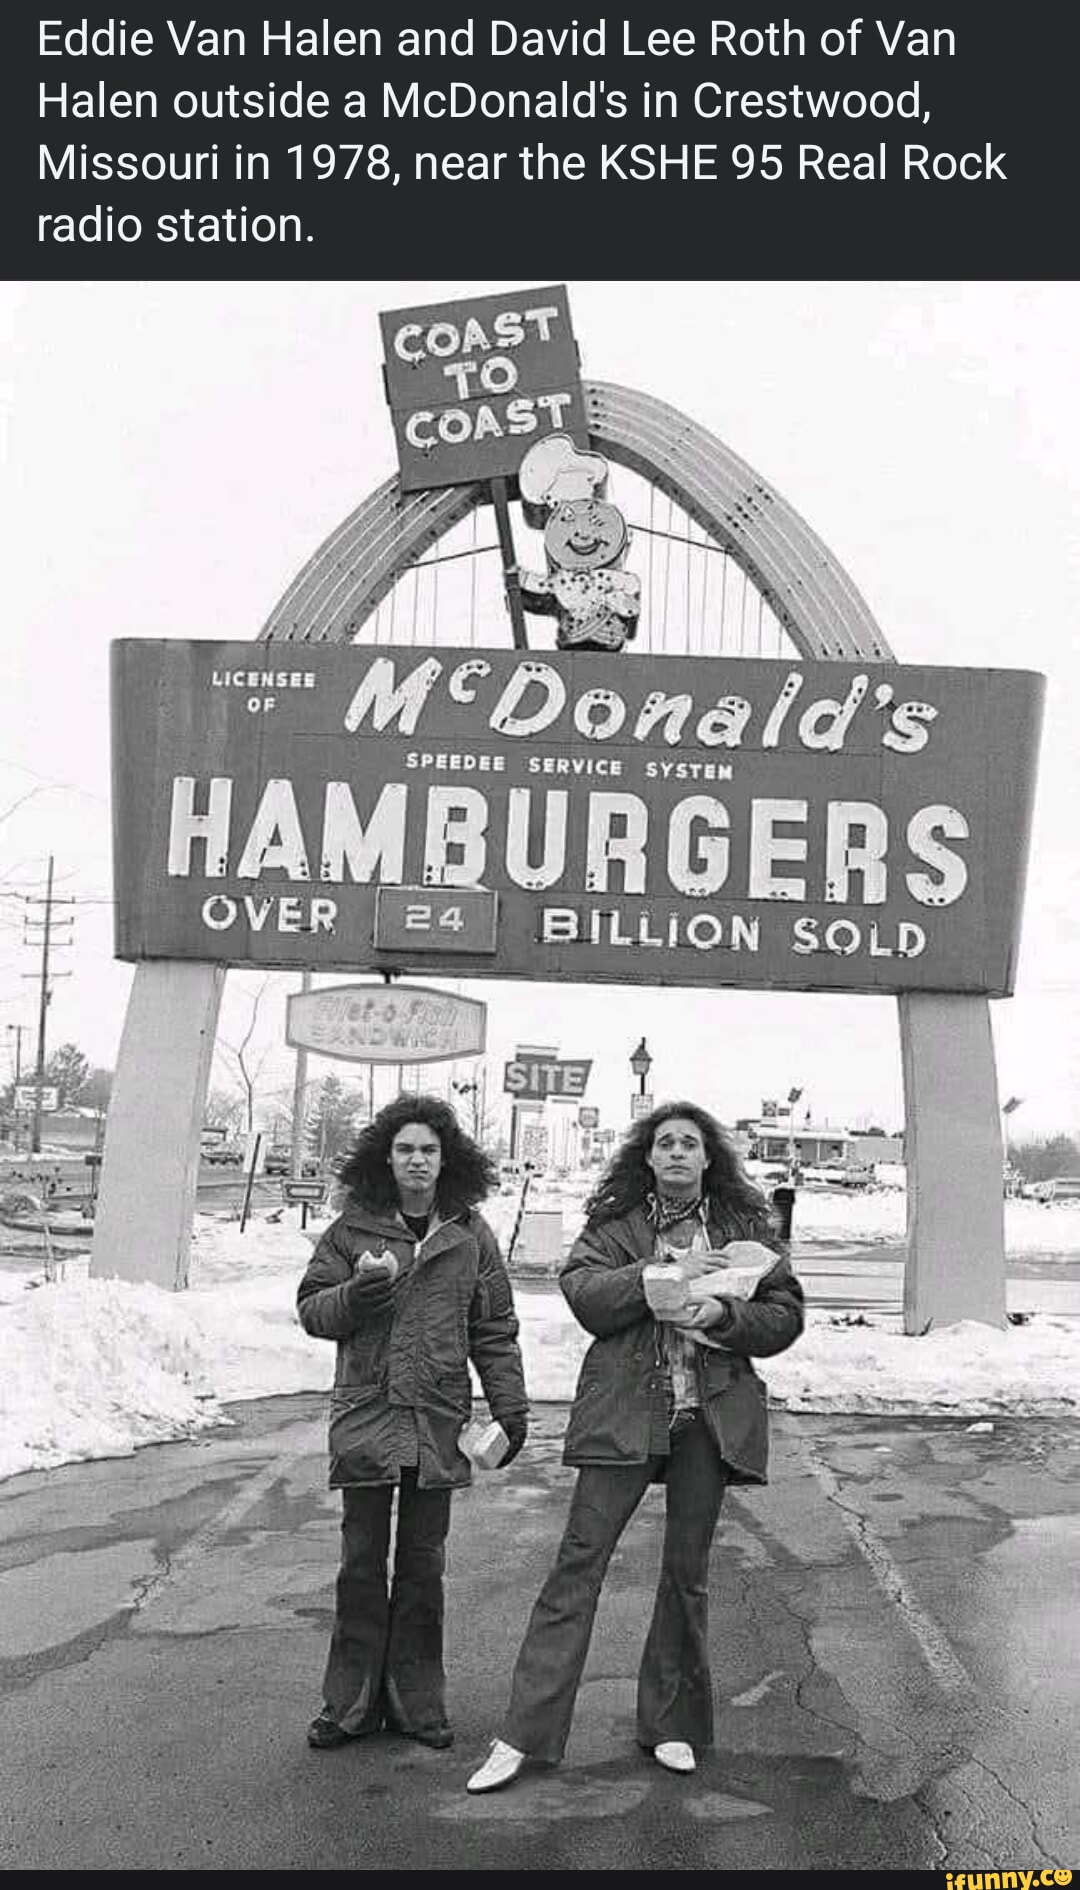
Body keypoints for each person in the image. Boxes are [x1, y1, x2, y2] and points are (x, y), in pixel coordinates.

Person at [466, 1101, 803, 1792]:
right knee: (577, 1566)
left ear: (710, 1157)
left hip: (706, 1419)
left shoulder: (743, 1229)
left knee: (687, 1574)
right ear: (647, 1158)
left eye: (690, 1143)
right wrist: (659, 1275)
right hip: (625, 1411)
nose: (677, 1152)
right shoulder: (616, 1226)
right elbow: (584, 1293)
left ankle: (672, 1724)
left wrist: (725, 1312)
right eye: (664, 1143)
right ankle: (523, 1735)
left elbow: (786, 1313)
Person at [297, 1093, 529, 1753]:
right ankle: (348, 1705)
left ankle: (417, 1701)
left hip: (438, 1420)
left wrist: (508, 1408)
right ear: (386, 1157)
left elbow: (495, 1329)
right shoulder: (352, 1228)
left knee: (423, 1568)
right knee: (361, 1564)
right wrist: (356, 1293)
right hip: (368, 1415)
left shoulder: (469, 1233)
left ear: (446, 1159)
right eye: (405, 1150)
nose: (417, 1161)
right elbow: (314, 1309)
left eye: (428, 1150)